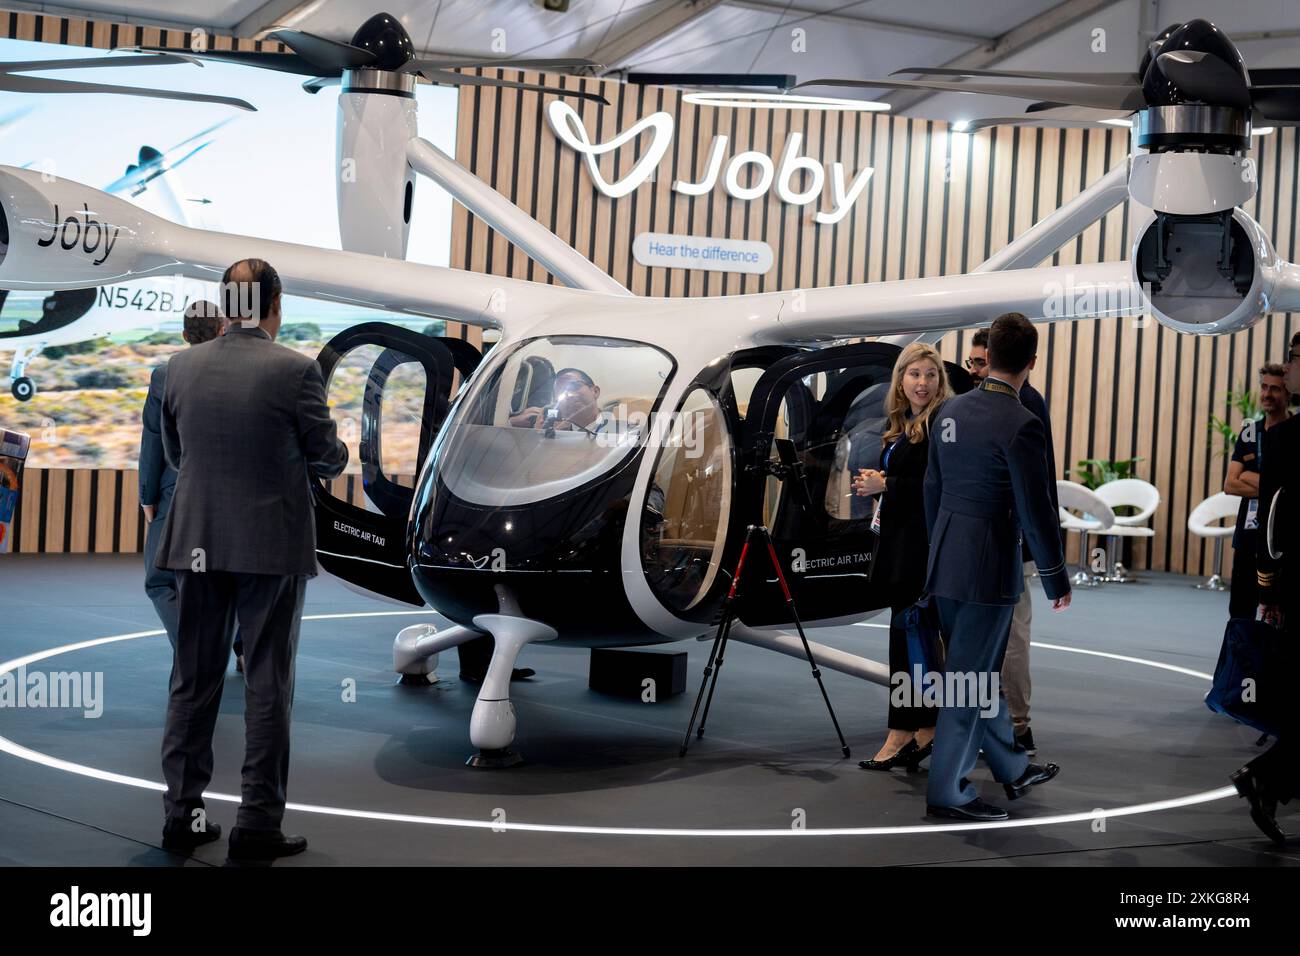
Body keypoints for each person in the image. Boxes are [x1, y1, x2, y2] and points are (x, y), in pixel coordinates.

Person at [156, 259, 348, 860]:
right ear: (276, 303)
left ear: (224, 302)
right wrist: (336, 447)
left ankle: (181, 817)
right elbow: (326, 457)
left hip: (195, 543)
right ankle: (257, 823)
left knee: (192, 683)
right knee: (268, 685)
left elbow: (175, 452)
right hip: (270, 547)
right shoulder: (296, 372)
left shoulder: (177, 369)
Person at [923, 313, 1070, 822]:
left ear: (987, 357)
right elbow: (1036, 509)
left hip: (944, 561)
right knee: (968, 681)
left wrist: (936, 548)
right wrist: (1055, 575)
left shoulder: (949, 411)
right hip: (988, 569)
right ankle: (948, 791)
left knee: (977, 675)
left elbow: (932, 491)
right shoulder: (1022, 423)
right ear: (1031, 362)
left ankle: (1010, 766)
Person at [853, 342, 951, 770]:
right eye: (914, 374)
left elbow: (938, 488)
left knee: (913, 643)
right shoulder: (902, 424)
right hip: (898, 545)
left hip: (919, 550)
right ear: (901, 380)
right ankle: (915, 730)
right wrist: (878, 482)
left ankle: (909, 731)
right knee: (908, 643)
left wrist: (886, 485)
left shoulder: (939, 426)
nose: (923, 383)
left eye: (930, 375)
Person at [970, 326, 1057, 754]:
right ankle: (980, 727)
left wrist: (1046, 558)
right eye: (971, 363)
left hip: (1011, 547)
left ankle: (1017, 726)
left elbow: (1040, 488)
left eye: (981, 363)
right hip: (970, 548)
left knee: (1013, 639)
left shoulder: (1028, 406)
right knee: (973, 642)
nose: (975, 371)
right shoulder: (960, 405)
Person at [1233, 335, 1300, 845]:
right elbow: (1269, 507)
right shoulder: (1268, 436)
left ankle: (1267, 779)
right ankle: (1267, 778)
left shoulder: (1287, 438)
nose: (1275, 390)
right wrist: (1269, 585)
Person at [139, 301, 224, 649]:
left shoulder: (165, 374)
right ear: (222, 330)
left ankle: (192, 650)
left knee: (160, 580)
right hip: (232, 494)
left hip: (177, 490)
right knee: (224, 578)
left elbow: (153, 439)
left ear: (185, 335)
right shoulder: (245, 374)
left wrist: (148, 496)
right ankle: (238, 647)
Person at [1224, 364, 1291, 620]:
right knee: (1240, 612)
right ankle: (1240, 661)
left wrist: (1250, 477)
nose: (1267, 394)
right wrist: (1271, 487)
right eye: (1264, 387)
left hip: (1279, 541)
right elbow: (1230, 484)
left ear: (1287, 393)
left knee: (1277, 612)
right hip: (1247, 538)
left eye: (1275, 388)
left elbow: (1289, 490)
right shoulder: (1250, 431)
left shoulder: (1293, 432)